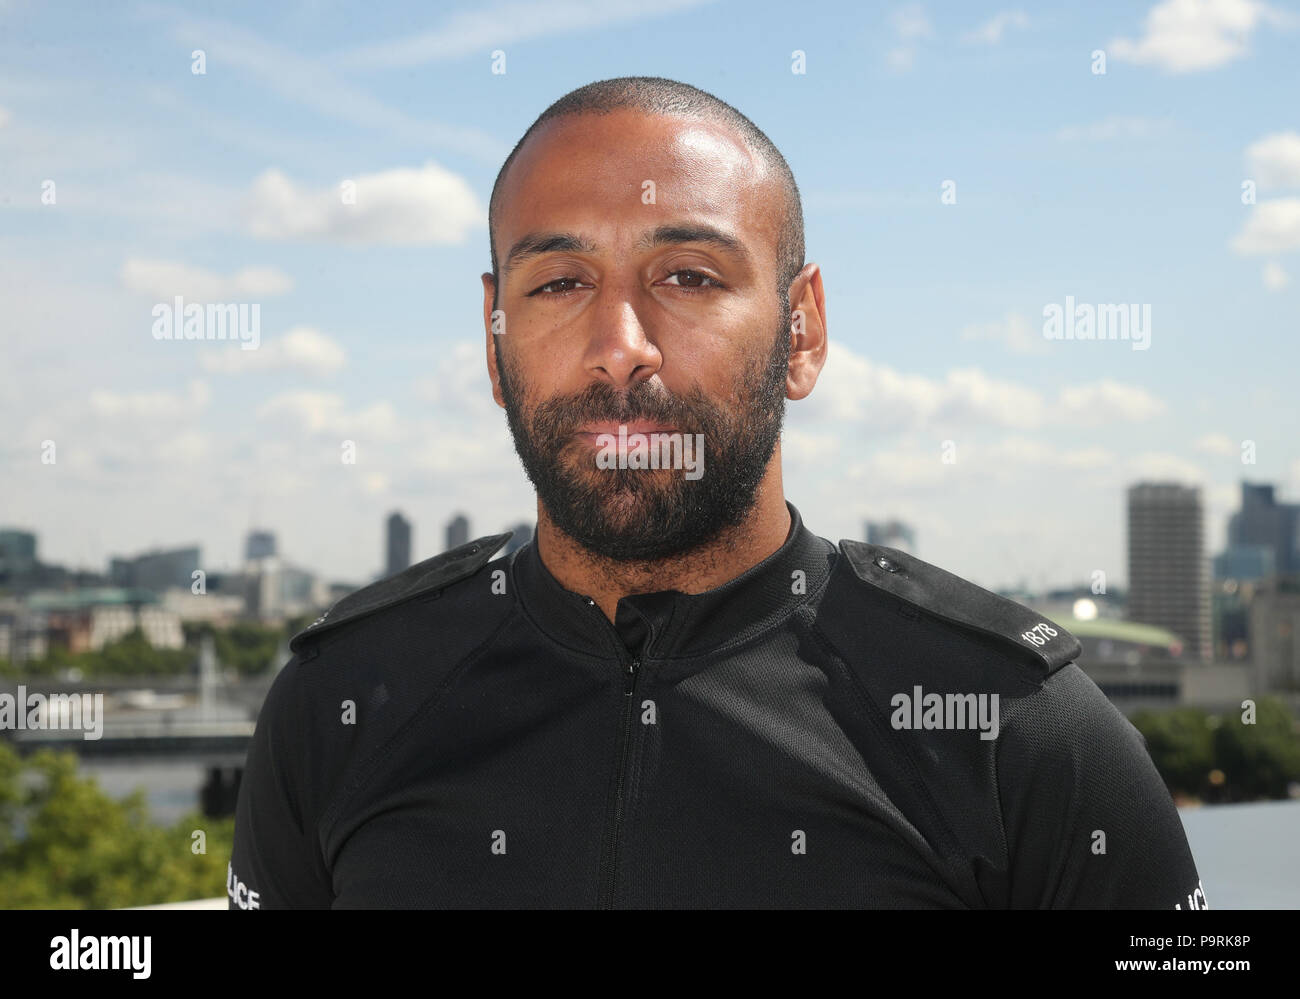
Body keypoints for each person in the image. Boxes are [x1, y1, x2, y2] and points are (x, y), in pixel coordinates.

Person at [228, 76, 1206, 909]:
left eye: (688, 276)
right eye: (559, 283)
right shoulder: (340, 702)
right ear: (493, 336)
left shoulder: (1011, 726)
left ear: (803, 329)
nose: (620, 347)